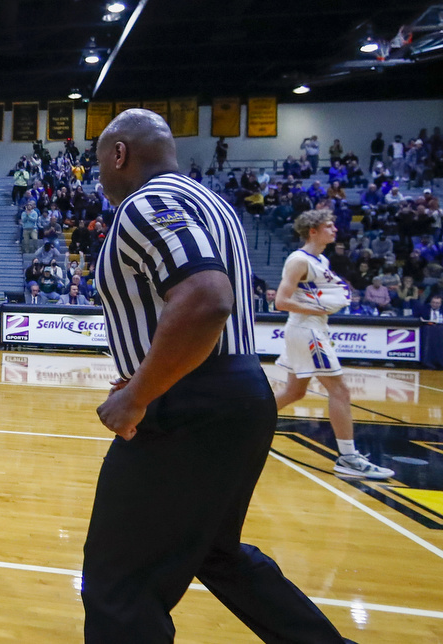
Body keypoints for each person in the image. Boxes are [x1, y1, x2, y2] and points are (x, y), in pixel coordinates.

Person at [86, 109, 348, 642]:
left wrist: (139, 392)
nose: (100, 177)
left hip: (188, 409)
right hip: (237, 392)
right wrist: (147, 372)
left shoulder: (148, 202)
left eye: (100, 163)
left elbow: (207, 300)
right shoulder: (213, 204)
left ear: (120, 154)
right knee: (217, 554)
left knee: (120, 584)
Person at [272, 209, 394, 480]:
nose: (335, 229)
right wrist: (318, 307)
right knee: (340, 391)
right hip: (307, 331)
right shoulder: (298, 260)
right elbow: (280, 301)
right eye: (329, 226)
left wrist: (324, 305)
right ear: (312, 231)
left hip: (310, 328)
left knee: (294, 392)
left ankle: (244, 423)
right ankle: (349, 458)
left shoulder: (321, 259)